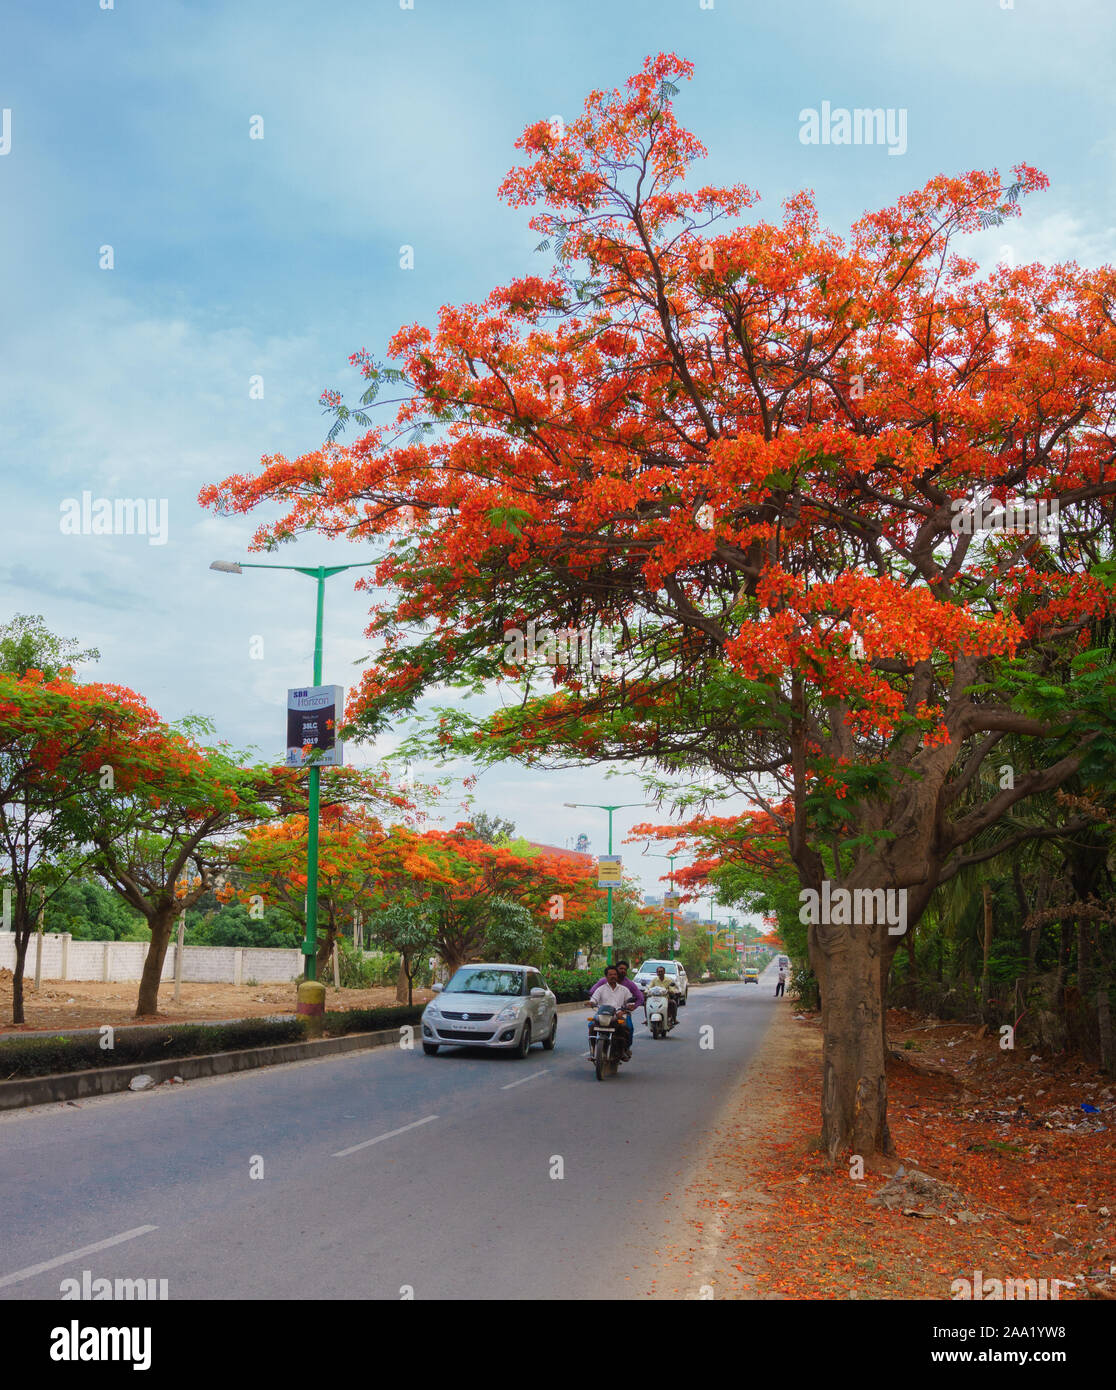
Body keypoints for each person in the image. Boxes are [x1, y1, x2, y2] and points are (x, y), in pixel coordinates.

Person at [588, 965, 636, 1059]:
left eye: (614, 974)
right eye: (610, 975)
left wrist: (626, 1008)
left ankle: (623, 1050)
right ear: (606, 976)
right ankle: (593, 1050)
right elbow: (593, 999)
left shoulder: (624, 990)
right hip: (602, 1015)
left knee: (625, 1028)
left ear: (617, 976)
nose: (613, 976)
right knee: (591, 1025)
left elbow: (630, 1002)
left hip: (617, 1016)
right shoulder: (600, 989)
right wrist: (591, 1003)